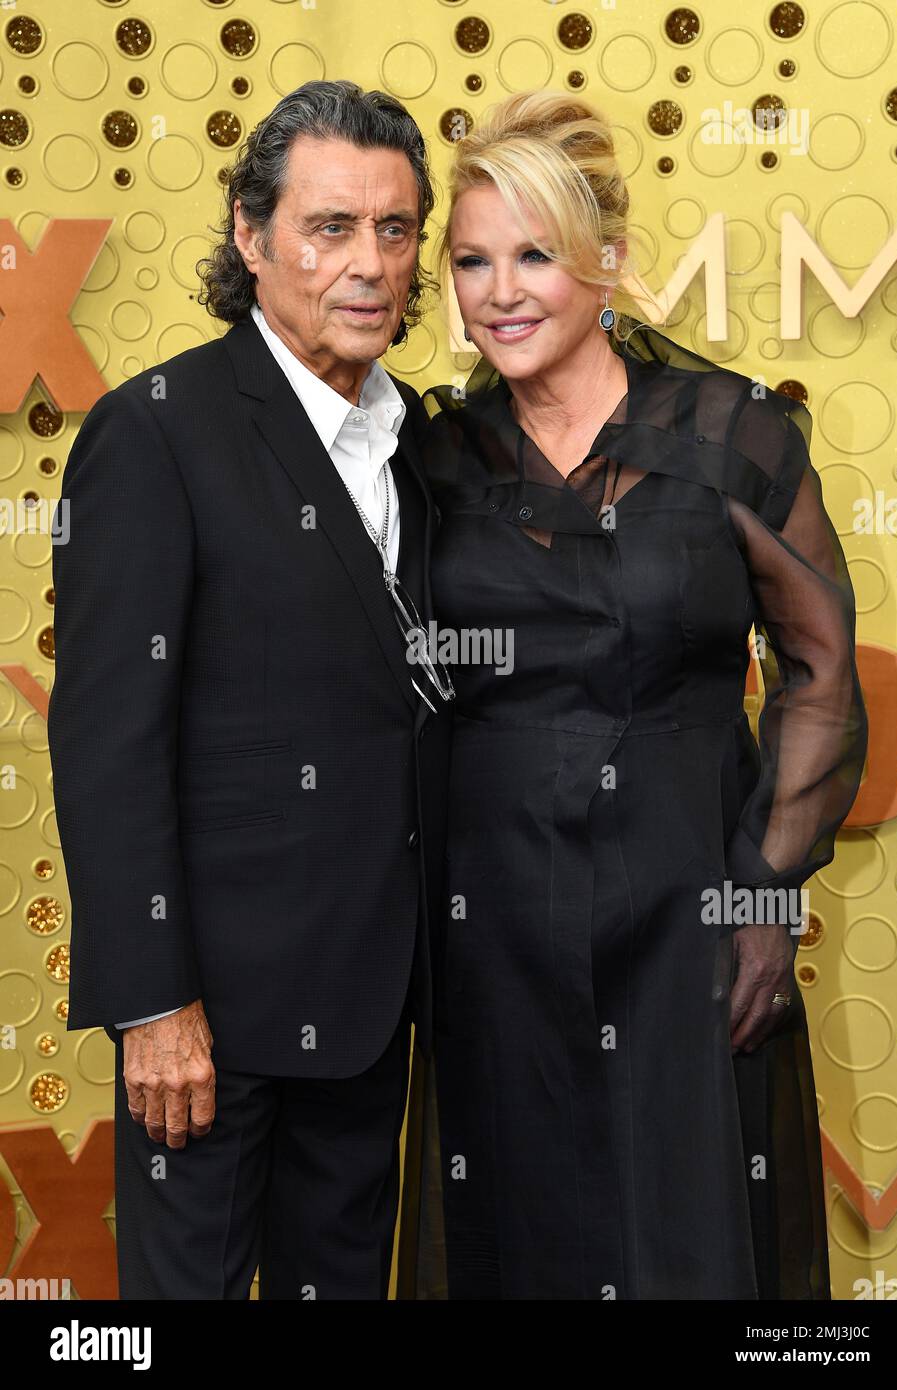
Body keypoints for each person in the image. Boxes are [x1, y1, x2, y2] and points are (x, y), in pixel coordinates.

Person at [397, 91, 868, 1300]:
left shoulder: (732, 434)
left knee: (684, 1223)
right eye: (471, 261)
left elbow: (819, 665)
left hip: (681, 903)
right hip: (488, 910)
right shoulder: (433, 456)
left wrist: (759, 888)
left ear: (606, 264)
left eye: (534, 256)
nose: (499, 291)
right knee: (518, 1215)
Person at [47, 79, 451, 1300]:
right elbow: (110, 739)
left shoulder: (419, 437)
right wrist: (152, 1004)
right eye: (329, 227)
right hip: (207, 1023)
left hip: (374, 999)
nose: (367, 263)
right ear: (249, 232)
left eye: (394, 229)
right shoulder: (157, 431)